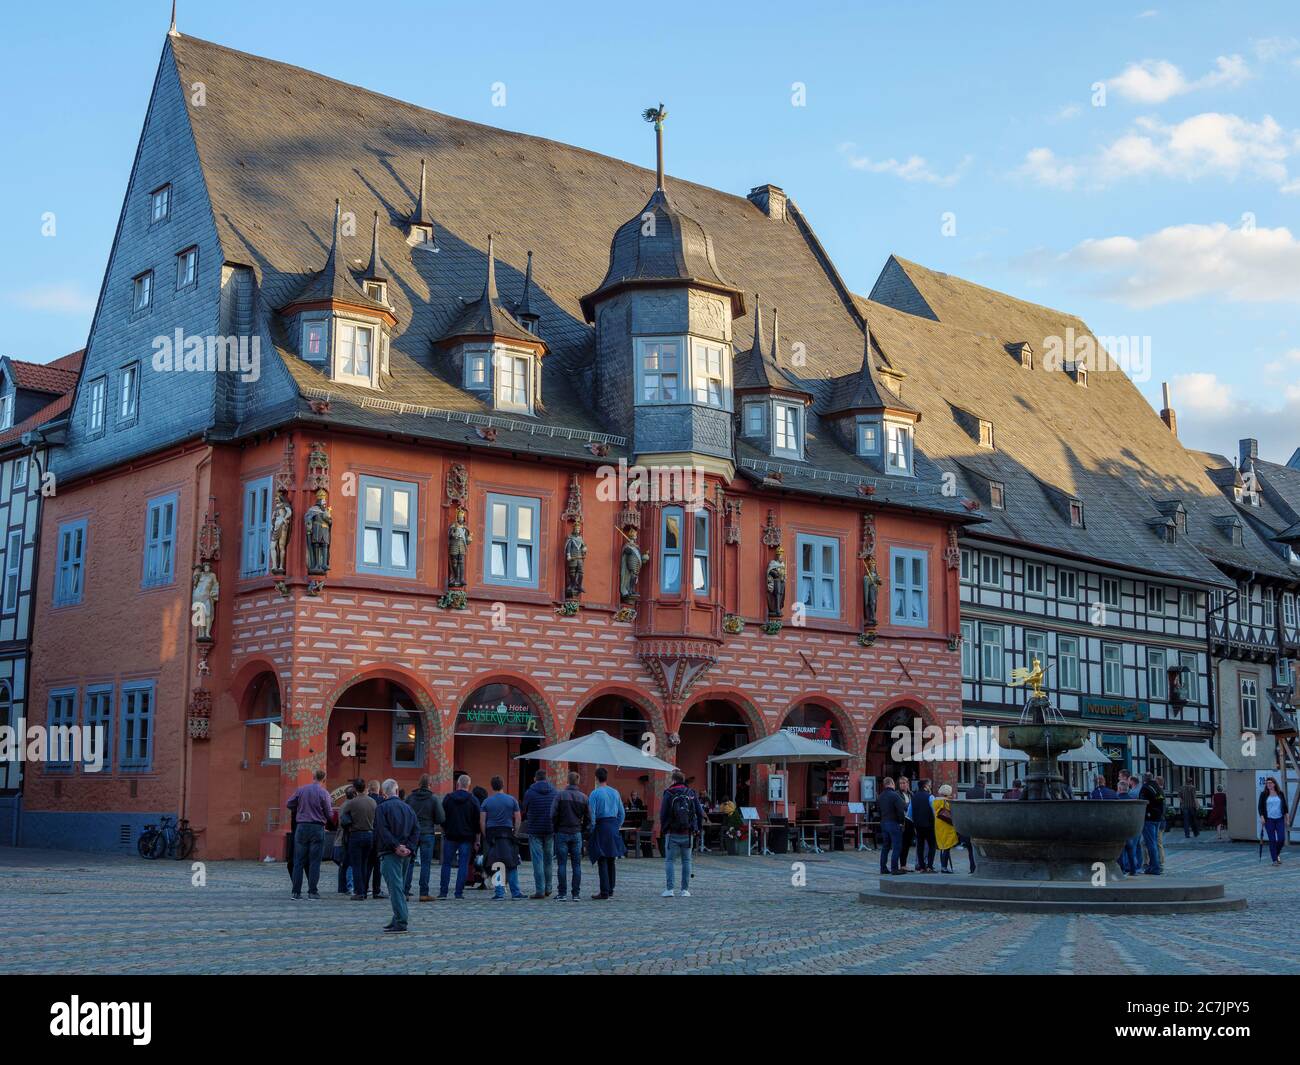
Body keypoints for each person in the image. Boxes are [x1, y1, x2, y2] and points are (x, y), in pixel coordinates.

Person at [374, 779, 419, 933]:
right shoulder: (408, 808)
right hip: (405, 853)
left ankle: (401, 920)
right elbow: (416, 830)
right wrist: (409, 848)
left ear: (383, 793)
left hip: (390, 852)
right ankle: (397, 918)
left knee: (395, 888)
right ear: (397, 791)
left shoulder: (382, 808)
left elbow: (382, 830)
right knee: (398, 886)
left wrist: (395, 846)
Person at [287, 768, 333, 901]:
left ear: (313, 777)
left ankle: (296, 892)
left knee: (298, 861)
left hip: (301, 827)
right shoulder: (324, 793)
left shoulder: (301, 790)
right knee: (314, 862)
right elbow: (329, 814)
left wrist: (299, 809)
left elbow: (289, 803)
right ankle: (312, 892)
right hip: (317, 828)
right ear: (323, 779)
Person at [481, 776, 525, 900]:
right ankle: (515, 892)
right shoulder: (512, 800)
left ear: (492, 786)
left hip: (492, 834)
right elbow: (518, 818)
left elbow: (482, 821)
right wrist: (515, 833)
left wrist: (486, 835)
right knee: (512, 863)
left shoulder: (486, 802)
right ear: (503, 785)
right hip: (507, 833)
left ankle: (499, 893)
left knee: (496, 863)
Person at [438, 775, 482, 899]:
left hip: (450, 835)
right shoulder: (473, 800)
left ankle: (443, 892)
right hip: (467, 837)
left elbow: (442, 817)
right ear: (469, 785)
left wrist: (444, 829)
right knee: (463, 864)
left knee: (446, 863)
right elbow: (477, 821)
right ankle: (458, 892)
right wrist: (477, 840)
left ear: (457, 784)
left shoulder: (448, 798)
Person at [659, 770, 701, 897]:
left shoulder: (669, 793)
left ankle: (670, 889)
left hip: (672, 833)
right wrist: (697, 828)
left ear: (673, 780)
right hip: (688, 833)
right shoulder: (691, 793)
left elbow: (663, 813)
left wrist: (664, 829)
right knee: (687, 861)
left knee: (670, 861)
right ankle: (685, 890)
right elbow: (699, 812)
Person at [404, 773, 445, 902]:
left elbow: (404, 814)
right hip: (427, 833)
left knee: (409, 863)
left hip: (412, 834)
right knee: (426, 864)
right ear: (430, 784)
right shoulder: (433, 799)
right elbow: (441, 818)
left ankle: (405, 891)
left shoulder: (410, 798)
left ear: (419, 784)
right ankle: (423, 893)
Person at [587, 767, 626, 900]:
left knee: (602, 858)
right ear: (606, 777)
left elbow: (591, 814)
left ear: (596, 778)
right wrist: (617, 825)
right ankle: (610, 889)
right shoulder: (615, 792)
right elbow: (622, 813)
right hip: (613, 825)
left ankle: (604, 890)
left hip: (601, 825)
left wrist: (592, 828)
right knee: (611, 859)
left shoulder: (594, 793)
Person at [553, 770, 590, 901]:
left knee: (561, 864)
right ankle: (576, 894)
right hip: (576, 833)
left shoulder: (560, 796)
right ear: (578, 781)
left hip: (562, 832)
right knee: (577, 865)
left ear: (567, 781)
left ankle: (562, 893)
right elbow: (589, 817)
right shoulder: (584, 797)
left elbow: (553, 814)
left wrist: (556, 827)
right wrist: (582, 829)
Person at [522, 769, 557, 899]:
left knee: (537, 860)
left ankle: (540, 890)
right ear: (546, 778)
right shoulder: (554, 791)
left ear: (535, 778)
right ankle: (548, 888)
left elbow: (524, 810)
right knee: (548, 860)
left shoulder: (530, 793)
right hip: (550, 829)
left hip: (535, 829)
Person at [341, 782, 377, 900]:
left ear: (355, 789)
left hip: (356, 834)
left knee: (356, 864)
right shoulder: (372, 801)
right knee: (365, 864)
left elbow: (343, 816)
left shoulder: (352, 802)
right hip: (369, 834)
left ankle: (359, 892)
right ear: (365, 788)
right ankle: (365, 890)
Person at [877, 777, 906, 875]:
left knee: (885, 846)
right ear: (892, 783)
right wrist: (901, 822)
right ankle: (894, 868)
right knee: (897, 846)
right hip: (893, 823)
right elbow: (900, 811)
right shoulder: (895, 795)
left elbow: (878, 811)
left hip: (884, 822)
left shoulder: (880, 796)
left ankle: (883, 868)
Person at [1138, 772, 1164, 875]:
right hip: (1158, 818)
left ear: (1144, 779)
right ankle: (1155, 865)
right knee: (1155, 842)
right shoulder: (1157, 787)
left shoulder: (1145, 788)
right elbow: (1161, 801)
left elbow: (1142, 803)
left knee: (1151, 843)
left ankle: (1155, 867)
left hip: (1148, 818)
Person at [1259, 776, 1289, 865]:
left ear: (1274, 784)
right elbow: (1260, 807)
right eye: (1267, 783)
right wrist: (1262, 817)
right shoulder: (1263, 794)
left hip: (1279, 819)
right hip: (1269, 820)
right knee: (1272, 840)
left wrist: (1287, 819)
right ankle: (1274, 860)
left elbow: (1285, 808)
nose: (1268, 784)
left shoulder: (1280, 793)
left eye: (1270, 783)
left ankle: (1276, 854)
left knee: (1281, 839)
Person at [910, 780, 936, 872]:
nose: (930, 787)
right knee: (932, 845)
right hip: (929, 825)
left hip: (918, 825)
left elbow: (909, 813)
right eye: (929, 785)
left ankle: (921, 866)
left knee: (920, 846)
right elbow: (934, 812)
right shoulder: (930, 797)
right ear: (925, 786)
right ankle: (929, 866)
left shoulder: (913, 797)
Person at [932, 784, 959, 873]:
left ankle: (943, 866)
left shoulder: (935, 801)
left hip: (938, 825)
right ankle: (944, 867)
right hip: (947, 826)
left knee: (942, 847)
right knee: (947, 848)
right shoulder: (947, 802)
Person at [334, 785, 356, 894]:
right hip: (346, 838)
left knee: (343, 864)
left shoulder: (342, 805)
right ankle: (350, 886)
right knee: (349, 863)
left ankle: (342, 887)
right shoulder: (350, 805)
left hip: (340, 838)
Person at [897, 776, 915, 870]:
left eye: (904, 783)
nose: (903, 785)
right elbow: (902, 806)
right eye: (901, 783)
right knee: (902, 844)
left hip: (911, 822)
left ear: (908, 784)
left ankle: (904, 864)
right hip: (902, 822)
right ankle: (902, 864)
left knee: (907, 844)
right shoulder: (897, 794)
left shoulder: (911, 794)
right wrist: (910, 805)